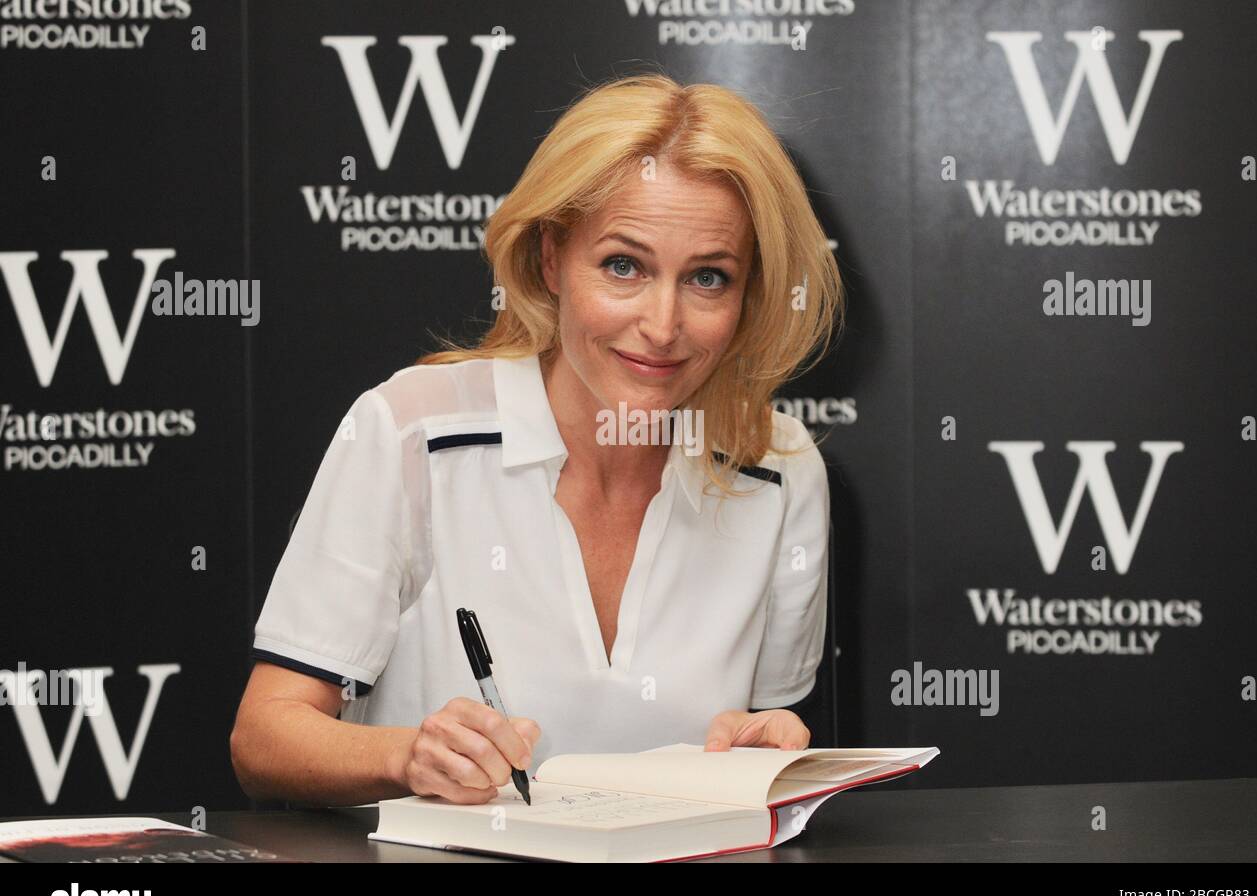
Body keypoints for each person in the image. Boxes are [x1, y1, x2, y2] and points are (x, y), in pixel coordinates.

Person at [230, 71, 845, 808]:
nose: (662, 324)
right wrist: (408, 753)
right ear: (551, 257)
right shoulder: (408, 431)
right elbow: (263, 736)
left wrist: (765, 747)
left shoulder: (780, 466)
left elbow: (766, 728)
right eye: (624, 265)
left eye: (708, 278)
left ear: (750, 293)